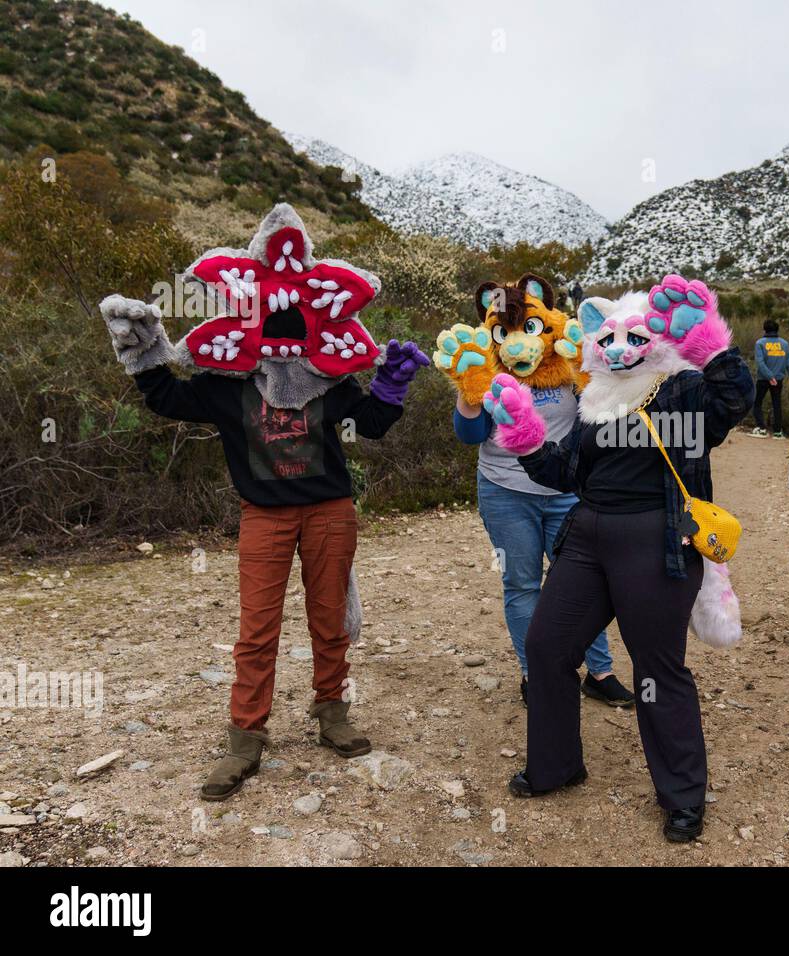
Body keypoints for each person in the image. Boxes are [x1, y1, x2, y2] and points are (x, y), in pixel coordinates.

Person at [97, 204, 431, 801]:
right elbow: (169, 397)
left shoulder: (328, 377)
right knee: (257, 630)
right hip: (264, 515)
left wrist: (394, 381)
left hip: (329, 509)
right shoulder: (225, 385)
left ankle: (332, 712)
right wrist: (144, 353)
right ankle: (246, 737)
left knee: (330, 620)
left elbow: (373, 423)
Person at [482, 274, 754, 843]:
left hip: (657, 540)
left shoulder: (679, 389)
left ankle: (682, 797)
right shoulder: (595, 401)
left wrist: (705, 341)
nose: (616, 348)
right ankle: (556, 766)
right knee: (547, 646)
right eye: (606, 339)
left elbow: (734, 398)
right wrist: (525, 436)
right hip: (587, 538)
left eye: (631, 336)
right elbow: (566, 474)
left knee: (657, 669)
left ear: (656, 338)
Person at [435, 275, 633, 708]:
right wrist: (471, 389)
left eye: (528, 327)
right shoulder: (485, 370)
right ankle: (535, 673)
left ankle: (598, 671)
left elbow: (601, 416)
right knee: (522, 584)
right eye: (504, 332)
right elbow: (470, 435)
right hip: (506, 493)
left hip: (566, 493)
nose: (517, 342)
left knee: (582, 582)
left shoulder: (566, 363)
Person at [751, 318, 789, 437]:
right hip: (779, 379)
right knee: (777, 405)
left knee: (757, 403)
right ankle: (777, 432)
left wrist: (770, 376)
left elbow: (760, 363)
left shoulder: (760, 343)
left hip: (763, 379)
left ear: (764, 329)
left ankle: (761, 429)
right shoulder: (784, 344)